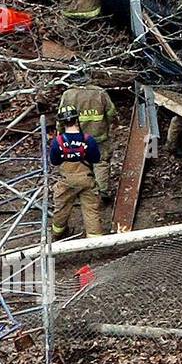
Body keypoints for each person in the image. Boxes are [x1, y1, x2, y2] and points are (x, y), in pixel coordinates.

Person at [59, 70, 118, 201]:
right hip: (99, 135)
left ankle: (85, 191)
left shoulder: (68, 95)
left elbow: (62, 118)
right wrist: (108, 126)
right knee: (100, 162)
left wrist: (61, 134)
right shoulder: (100, 92)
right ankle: (102, 191)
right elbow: (111, 112)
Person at [48, 104, 103, 239]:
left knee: (62, 207)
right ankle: (95, 240)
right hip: (86, 179)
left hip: (66, 181)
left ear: (61, 123)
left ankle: (57, 233)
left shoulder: (57, 142)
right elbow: (96, 158)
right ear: (77, 119)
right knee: (91, 210)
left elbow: (54, 161)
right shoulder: (87, 139)